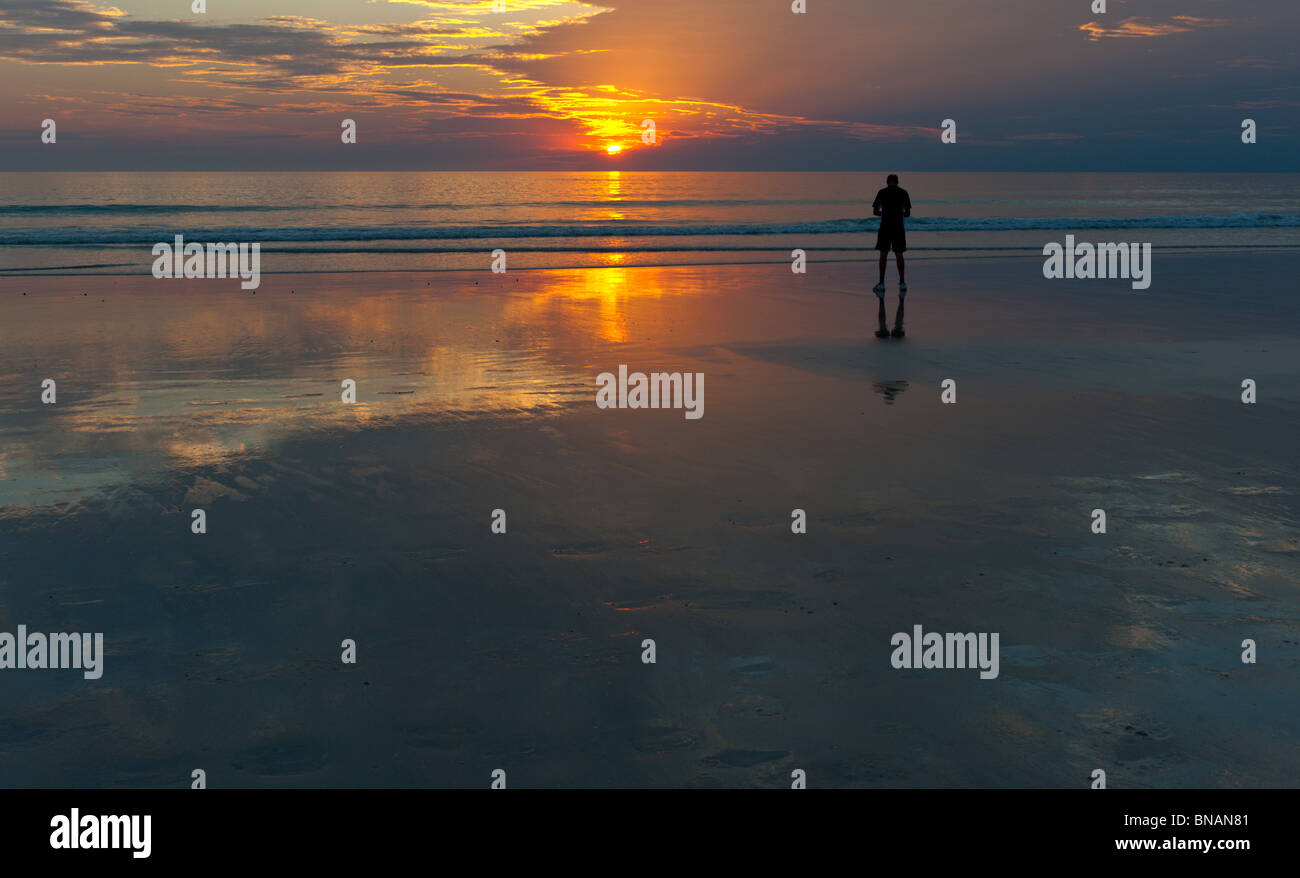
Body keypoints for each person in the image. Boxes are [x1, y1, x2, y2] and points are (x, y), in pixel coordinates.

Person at [872, 174, 911, 300]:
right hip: (898, 227)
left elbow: (875, 211)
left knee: (883, 254)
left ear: (887, 182)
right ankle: (902, 282)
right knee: (899, 254)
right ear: (897, 182)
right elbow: (908, 213)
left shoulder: (882, 192)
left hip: (885, 227)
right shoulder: (903, 193)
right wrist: (898, 212)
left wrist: (884, 212)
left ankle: (882, 282)